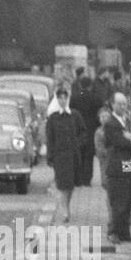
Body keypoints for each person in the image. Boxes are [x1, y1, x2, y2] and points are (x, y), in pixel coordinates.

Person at [44, 86, 86, 226]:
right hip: (59, 156)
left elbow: (83, 132)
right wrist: (50, 156)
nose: (62, 100)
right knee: (62, 184)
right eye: (60, 98)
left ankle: (66, 205)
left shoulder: (75, 115)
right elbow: (50, 138)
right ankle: (65, 210)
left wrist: (77, 144)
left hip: (73, 155)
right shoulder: (53, 118)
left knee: (70, 185)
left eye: (65, 98)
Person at [101, 94, 131, 244]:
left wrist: (130, 137)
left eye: (125, 104)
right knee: (118, 203)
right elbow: (120, 142)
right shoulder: (110, 123)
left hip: (129, 166)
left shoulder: (128, 121)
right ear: (112, 105)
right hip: (116, 168)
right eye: (119, 104)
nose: (123, 107)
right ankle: (113, 232)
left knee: (127, 202)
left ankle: (124, 232)